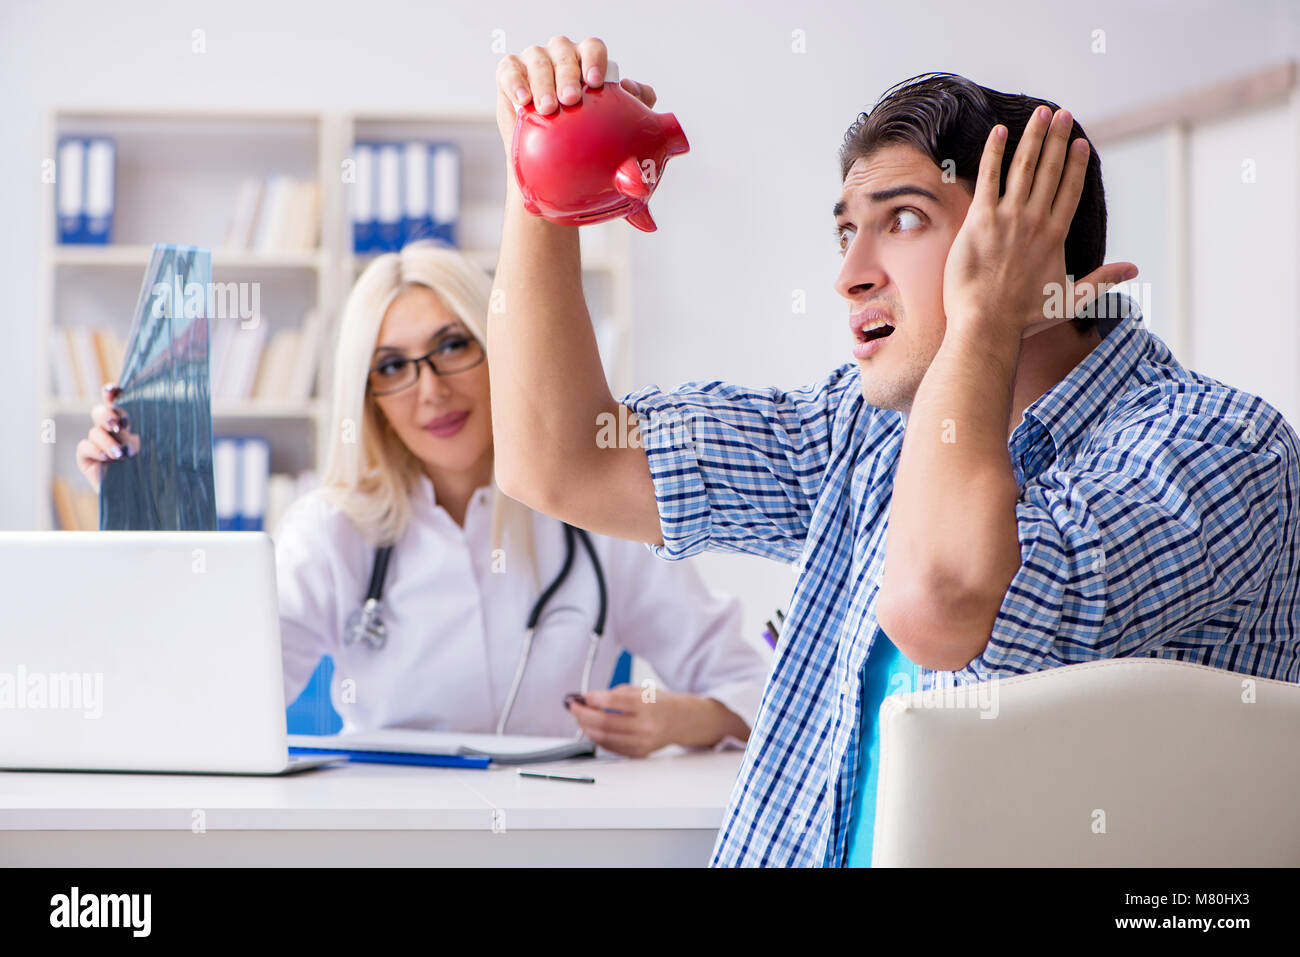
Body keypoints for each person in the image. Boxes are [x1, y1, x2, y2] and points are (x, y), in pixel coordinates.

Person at [486, 36, 1300, 865]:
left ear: (1034, 251)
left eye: (903, 219)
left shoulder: (1221, 448)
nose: (849, 275)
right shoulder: (868, 428)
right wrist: (540, 183)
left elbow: (940, 605)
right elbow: (560, 460)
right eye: (847, 233)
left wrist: (984, 318)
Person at [77, 241, 769, 756]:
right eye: (392, 367)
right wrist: (144, 521)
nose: (431, 390)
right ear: (367, 395)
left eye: (453, 345)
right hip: (394, 842)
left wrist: (698, 717)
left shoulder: (600, 510)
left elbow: (751, 679)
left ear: (503, 349)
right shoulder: (331, 533)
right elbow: (212, 702)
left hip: (561, 836)